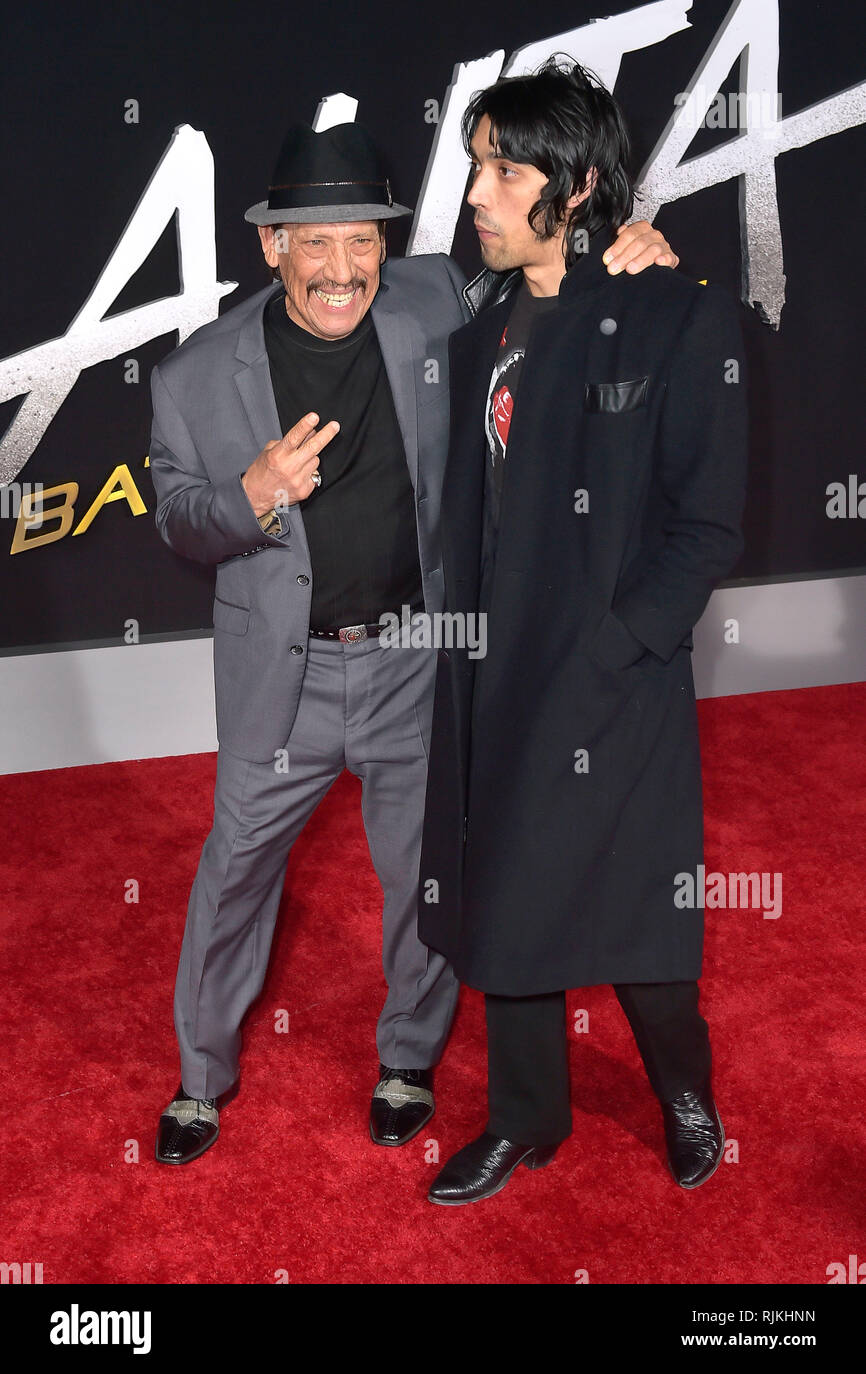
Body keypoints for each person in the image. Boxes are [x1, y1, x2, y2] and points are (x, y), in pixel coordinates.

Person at [148, 115, 679, 1164]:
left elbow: (553, 287)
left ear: (385, 243)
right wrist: (249, 495)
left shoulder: (435, 299)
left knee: (423, 875)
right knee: (234, 874)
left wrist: (637, 251)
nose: (342, 269)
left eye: (362, 239)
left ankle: (407, 1059)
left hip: (410, 658)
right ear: (270, 245)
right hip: (283, 676)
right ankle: (199, 1080)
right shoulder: (193, 377)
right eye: (315, 242)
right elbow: (174, 519)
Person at [418, 58, 748, 1205]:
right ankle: (525, 1116)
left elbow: (704, 528)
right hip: (493, 680)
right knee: (506, 907)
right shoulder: (477, 330)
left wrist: (616, 649)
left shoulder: (674, 316)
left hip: (614, 687)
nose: (477, 195)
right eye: (477, 168)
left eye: (504, 172)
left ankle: (683, 1089)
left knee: (637, 913)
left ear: (579, 185)